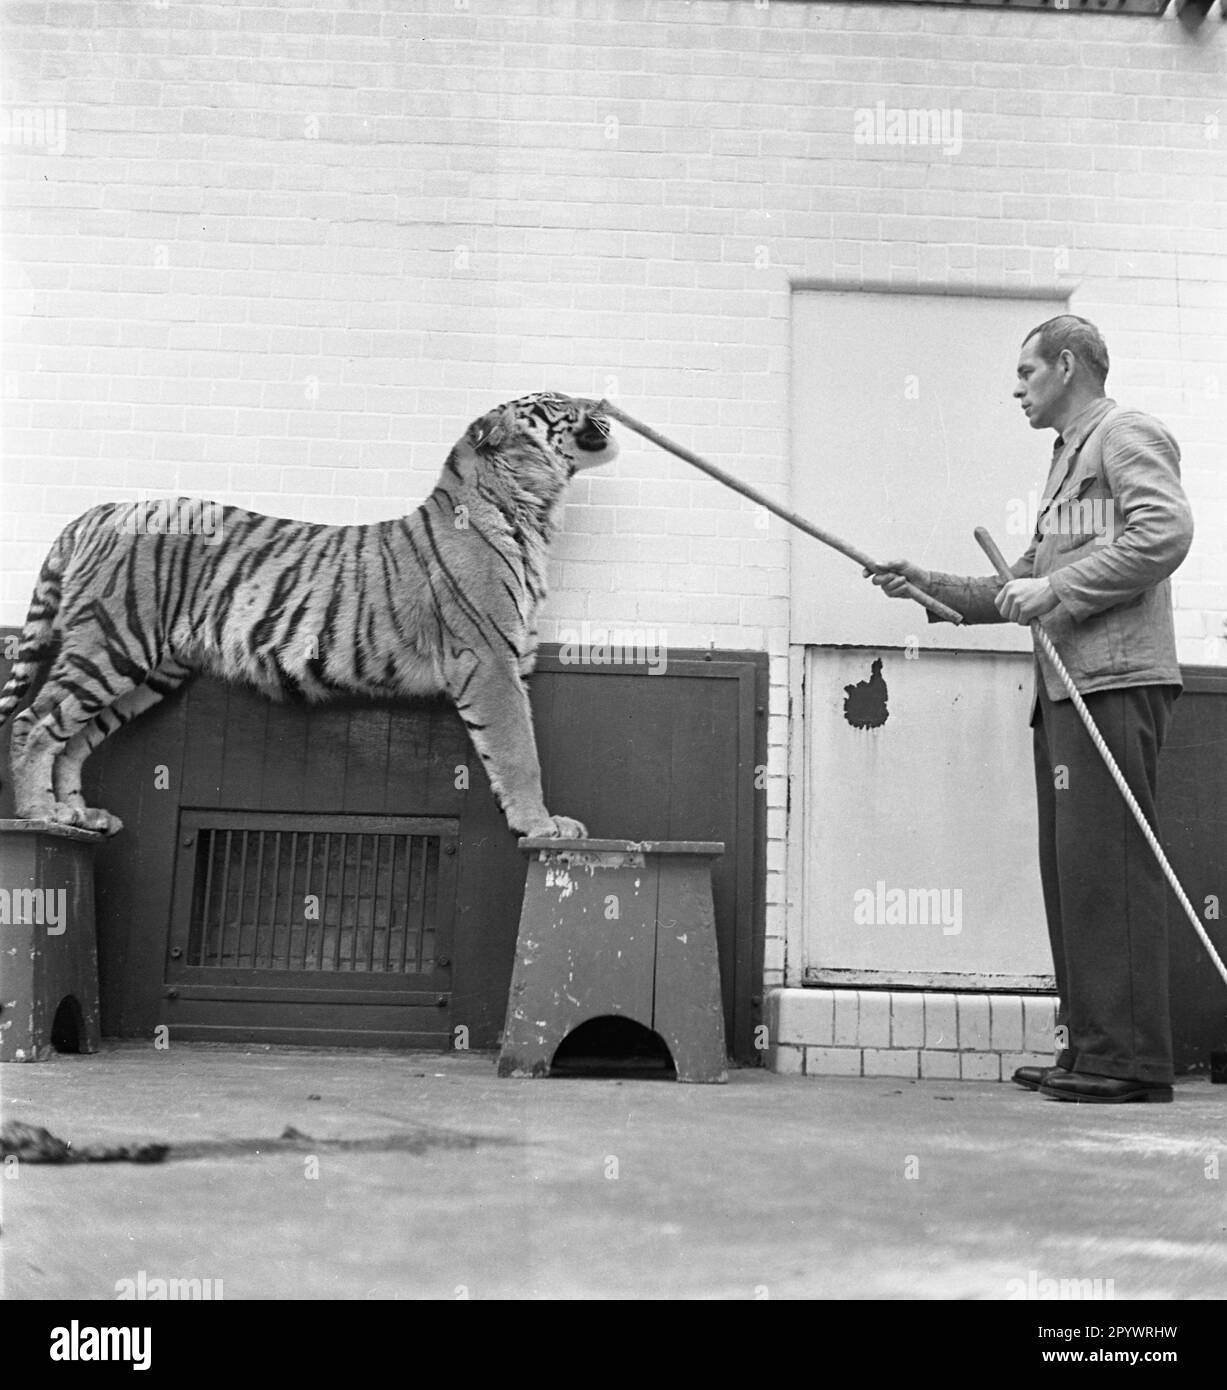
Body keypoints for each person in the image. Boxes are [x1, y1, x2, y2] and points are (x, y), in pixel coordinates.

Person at [871, 314, 1194, 1103]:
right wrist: (925, 584)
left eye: (1027, 372)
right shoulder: (1063, 464)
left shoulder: (1125, 434)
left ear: (1070, 364)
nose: (1016, 388)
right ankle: (1090, 1051)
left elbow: (1166, 532)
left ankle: (1129, 1061)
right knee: (1075, 875)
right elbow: (1013, 583)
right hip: (1069, 688)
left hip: (1113, 684)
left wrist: (1056, 590)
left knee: (1110, 871)